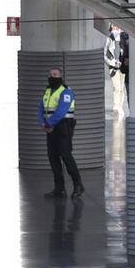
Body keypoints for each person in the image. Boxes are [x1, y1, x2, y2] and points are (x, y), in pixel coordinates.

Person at [40, 67, 84, 198]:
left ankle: (78, 185)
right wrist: (42, 123)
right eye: (50, 74)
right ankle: (59, 189)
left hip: (63, 128)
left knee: (66, 157)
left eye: (55, 74)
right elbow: (41, 109)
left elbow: (61, 111)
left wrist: (49, 124)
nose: (52, 77)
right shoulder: (48, 91)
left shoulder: (66, 92)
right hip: (50, 129)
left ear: (61, 77)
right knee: (53, 158)